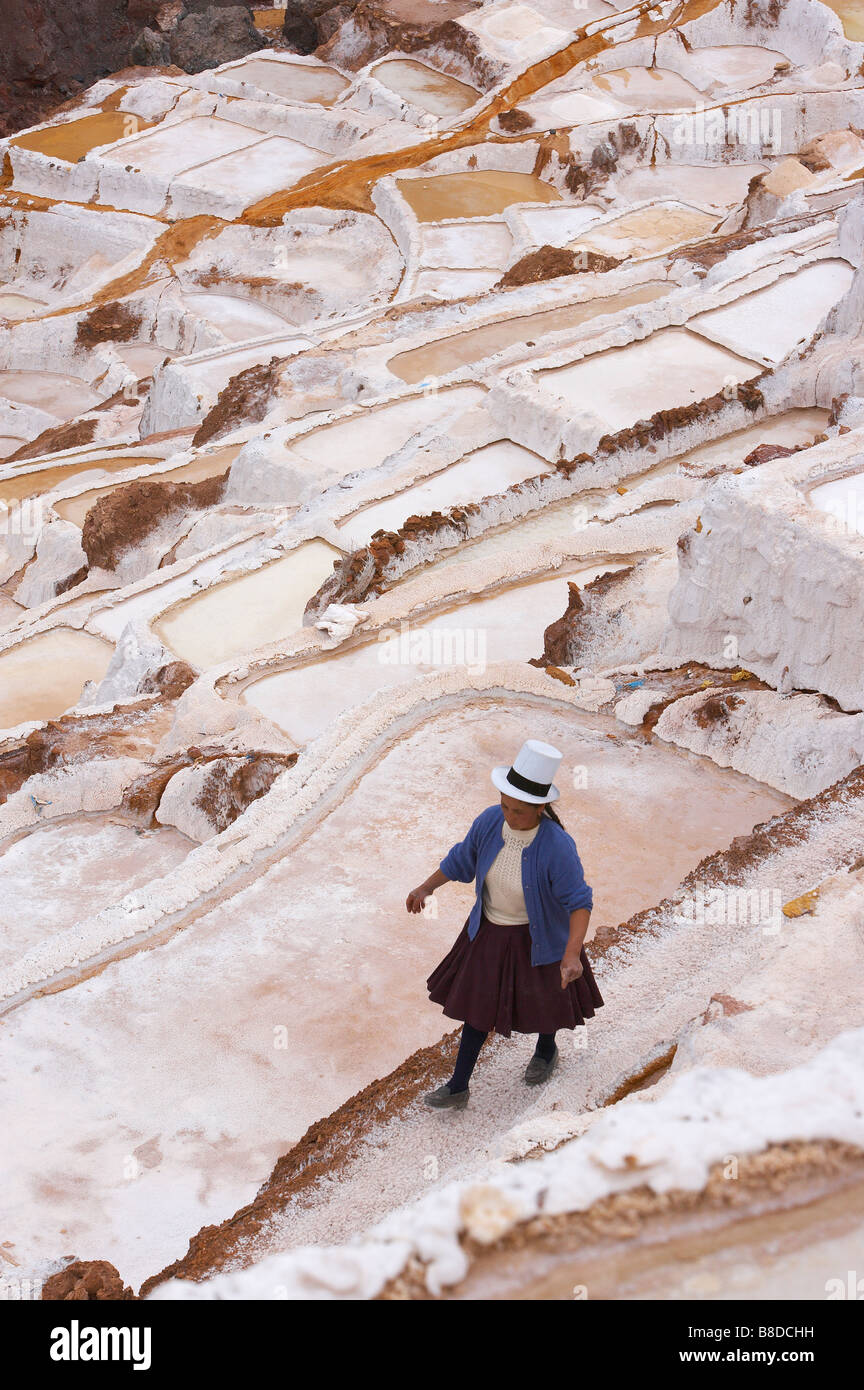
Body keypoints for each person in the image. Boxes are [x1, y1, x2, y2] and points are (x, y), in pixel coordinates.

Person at [406, 738, 604, 1109]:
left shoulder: (557, 846)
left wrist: (572, 954)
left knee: (548, 999)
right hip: (490, 931)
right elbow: (461, 859)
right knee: (478, 1008)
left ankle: (546, 1050)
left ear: (541, 808)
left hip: (538, 937)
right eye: (505, 806)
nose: (509, 816)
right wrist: (425, 887)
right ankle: (458, 1086)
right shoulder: (490, 821)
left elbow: (579, 902)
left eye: (518, 812)